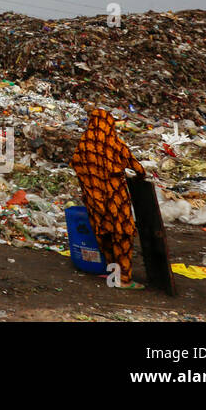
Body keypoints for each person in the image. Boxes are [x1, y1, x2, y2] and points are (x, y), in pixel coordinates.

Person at [70, 107, 146, 288]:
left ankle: (112, 274)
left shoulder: (82, 146)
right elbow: (139, 169)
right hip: (115, 199)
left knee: (104, 235)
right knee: (122, 235)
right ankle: (124, 280)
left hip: (94, 201)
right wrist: (136, 177)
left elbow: (76, 165)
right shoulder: (113, 143)